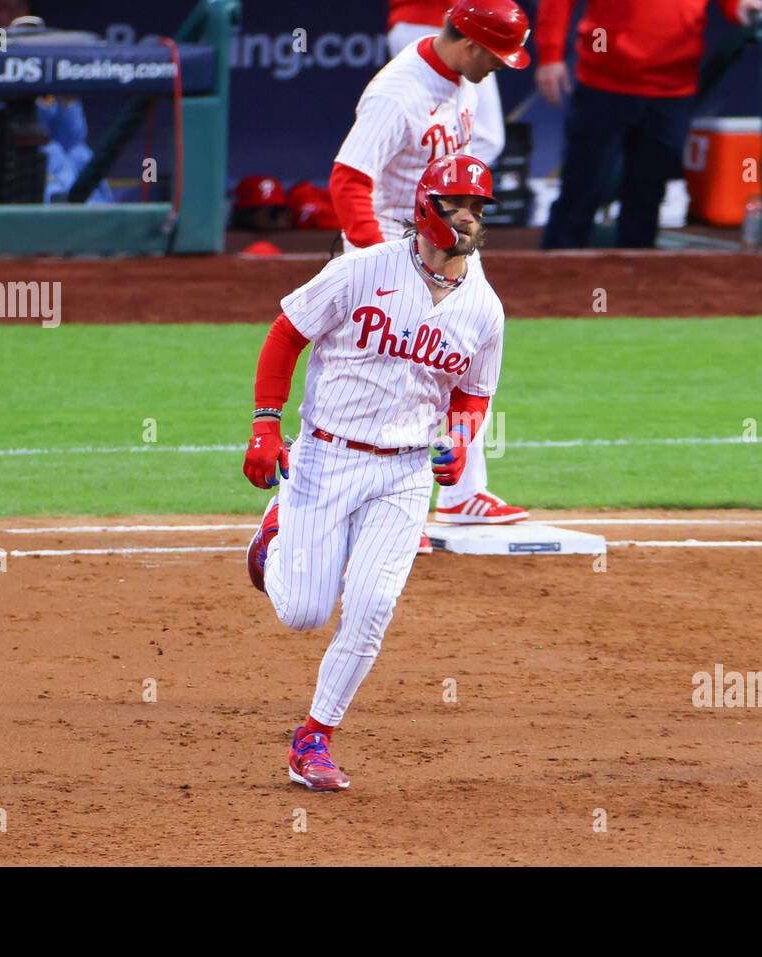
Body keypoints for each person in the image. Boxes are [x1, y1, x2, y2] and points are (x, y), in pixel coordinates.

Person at [242, 154, 507, 792]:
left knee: (371, 606)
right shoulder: (361, 270)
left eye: (477, 207)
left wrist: (460, 442)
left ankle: (314, 738)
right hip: (325, 458)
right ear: (426, 208)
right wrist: (265, 424)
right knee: (304, 612)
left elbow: (473, 396)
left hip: (405, 474)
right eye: (455, 205)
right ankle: (275, 533)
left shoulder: (486, 310)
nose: (467, 217)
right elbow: (286, 334)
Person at [330, 0, 533, 537]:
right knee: (386, 374)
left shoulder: (459, 77)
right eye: (496, 55)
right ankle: (378, 506)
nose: (499, 66)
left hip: (447, 242)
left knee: (467, 358)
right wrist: (379, 265)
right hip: (390, 243)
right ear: (469, 44)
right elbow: (349, 180)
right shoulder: (398, 94)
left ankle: (462, 494)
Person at [535, 0, 762, 249]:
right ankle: (554, 271)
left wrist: (739, 4)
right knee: (584, 188)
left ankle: (636, 278)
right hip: (603, 85)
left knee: (647, 196)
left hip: (673, 89)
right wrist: (550, 55)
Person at [386, 0, 506, 168]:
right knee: (485, 138)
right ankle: (428, 186)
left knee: (434, 134)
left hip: (428, 23)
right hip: (444, 25)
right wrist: (462, 11)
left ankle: (424, 185)